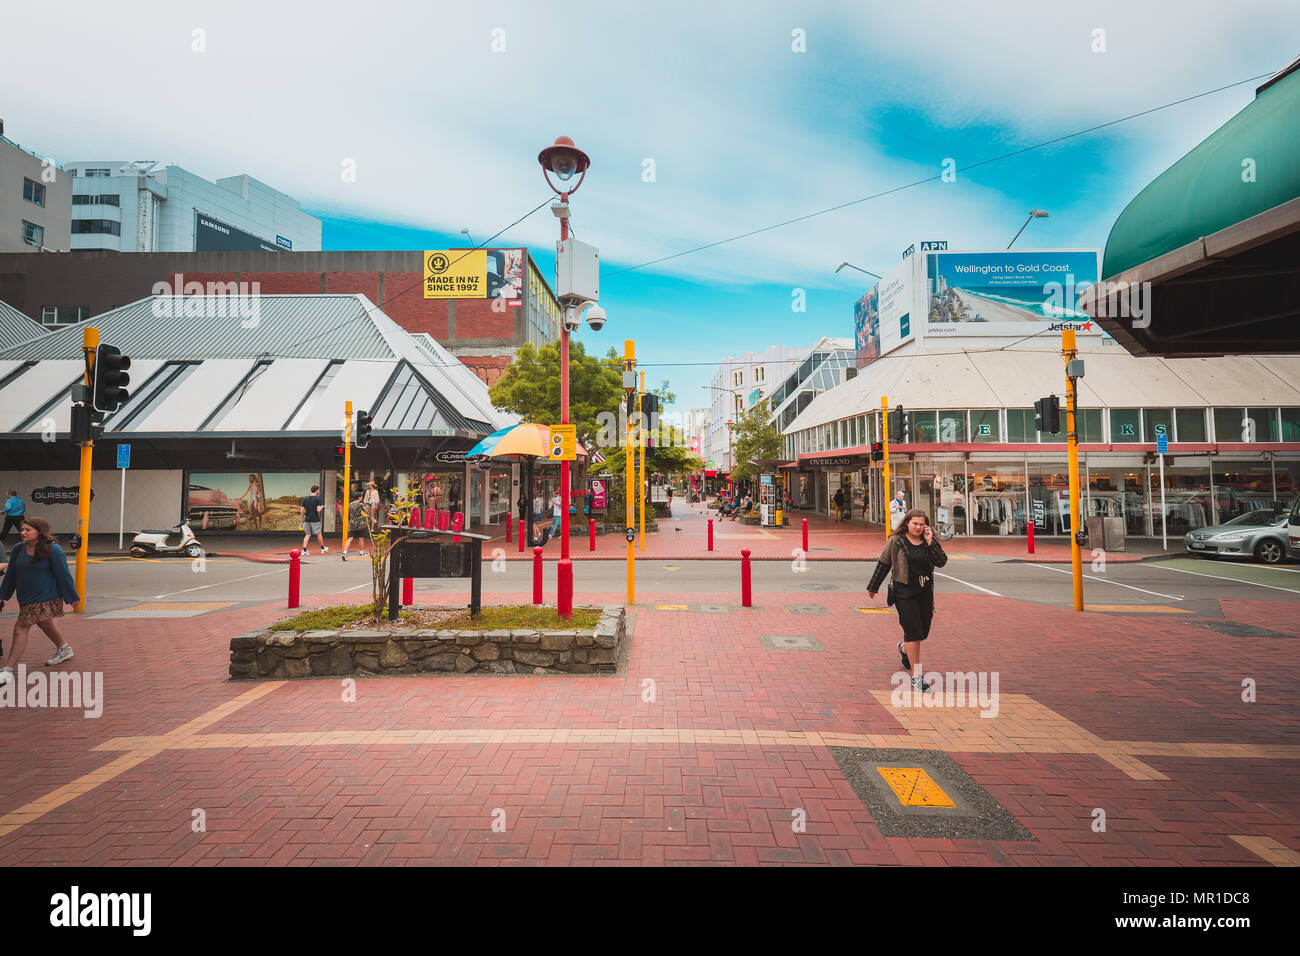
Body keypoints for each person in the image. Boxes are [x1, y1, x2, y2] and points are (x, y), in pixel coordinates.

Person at [866, 508, 948, 693]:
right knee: (914, 633)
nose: (918, 527)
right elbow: (884, 563)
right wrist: (873, 586)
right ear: (907, 523)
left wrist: (930, 543)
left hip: (925, 592)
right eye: (915, 524)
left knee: (922, 632)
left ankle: (904, 648)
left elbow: (941, 561)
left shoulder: (929, 541)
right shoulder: (896, 541)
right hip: (904, 591)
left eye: (921, 524)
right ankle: (917, 677)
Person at [0, 517, 80, 687]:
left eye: (28, 530)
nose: (23, 533)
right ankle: (64, 649)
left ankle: (7, 669)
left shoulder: (53, 549)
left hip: (45, 596)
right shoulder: (18, 549)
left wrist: (72, 597)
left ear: (40, 531)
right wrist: (3, 594)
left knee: (20, 628)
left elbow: (63, 575)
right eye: (22, 530)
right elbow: (11, 574)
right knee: (44, 623)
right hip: (26, 597)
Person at [341, 489, 372, 560]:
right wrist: (370, 518)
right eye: (361, 496)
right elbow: (365, 513)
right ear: (359, 497)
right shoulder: (361, 505)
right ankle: (361, 552)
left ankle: (344, 553)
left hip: (352, 524)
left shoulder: (350, 504)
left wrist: (350, 521)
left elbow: (349, 514)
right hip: (360, 524)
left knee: (350, 538)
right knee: (361, 538)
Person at [300, 484, 328, 554]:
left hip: (307, 519)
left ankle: (304, 550)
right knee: (318, 534)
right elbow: (318, 510)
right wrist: (322, 507)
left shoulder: (305, 499)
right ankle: (323, 548)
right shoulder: (318, 499)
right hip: (315, 519)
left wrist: (302, 520)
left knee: (307, 534)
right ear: (317, 491)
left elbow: (302, 510)